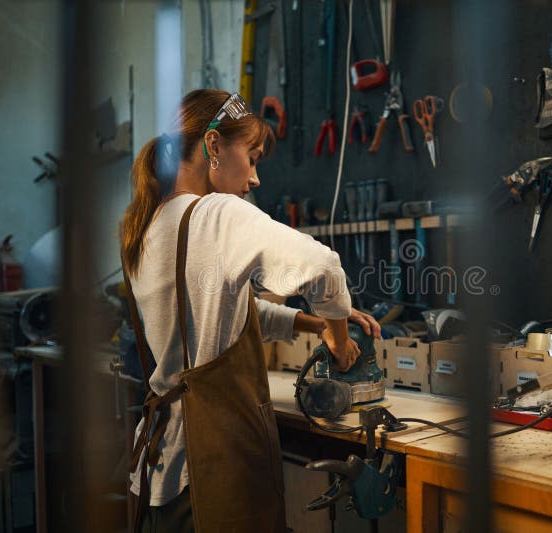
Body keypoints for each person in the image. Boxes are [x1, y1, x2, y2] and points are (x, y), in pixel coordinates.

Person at [119, 89, 381, 532]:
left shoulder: (148, 221)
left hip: (160, 468)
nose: (256, 178)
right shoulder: (215, 214)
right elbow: (324, 267)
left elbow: (217, 313)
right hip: (210, 464)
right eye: (253, 157)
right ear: (214, 145)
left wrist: (314, 321)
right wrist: (337, 336)